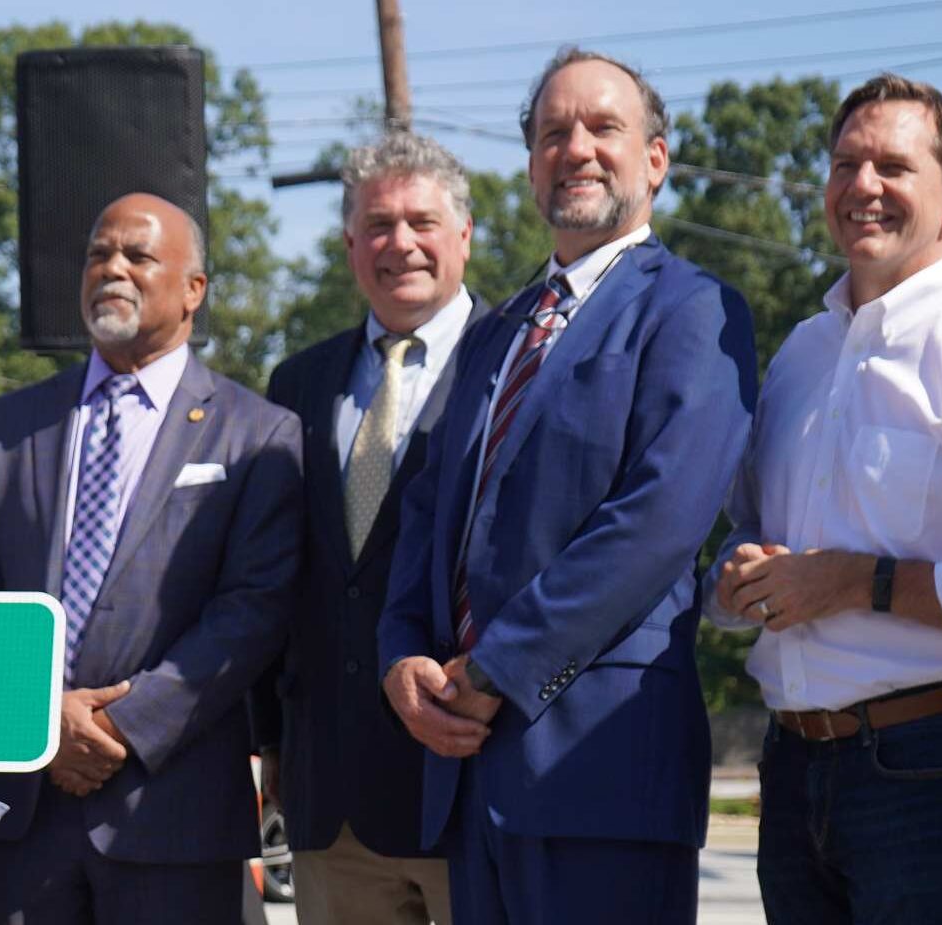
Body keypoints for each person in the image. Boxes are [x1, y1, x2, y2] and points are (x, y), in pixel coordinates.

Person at [377, 47, 756, 925]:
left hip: (602, 770)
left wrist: (500, 667)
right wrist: (402, 658)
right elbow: (427, 517)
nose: (575, 148)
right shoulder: (494, 331)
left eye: (602, 128)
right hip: (468, 771)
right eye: (553, 133)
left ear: (655, 158)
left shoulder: (695, 310)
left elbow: (658, 520)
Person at [703, 74, 942, 924]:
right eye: (845, 164)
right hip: (791, 767)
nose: (863, 186)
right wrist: (735, 577)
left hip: (937, 762)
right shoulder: (799, 353)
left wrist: (857, 581)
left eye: (892, 167)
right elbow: (747, 530)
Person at [0, 192, 303, 923]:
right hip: (27, 813)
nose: (112, 268)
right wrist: (40, 720)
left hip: (172, 814)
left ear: (194, 289)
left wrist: (122, 726)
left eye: (138, 256)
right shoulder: (12, 424)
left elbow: (254, 611)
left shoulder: (258, 432)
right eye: (98, 254)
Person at [253, 131, 483, 925]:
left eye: (422, 221)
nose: (401, 243)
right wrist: (272, 738)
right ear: (351, 245)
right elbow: (281, 576)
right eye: (378, 226)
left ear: (464, 234)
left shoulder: (517, 363)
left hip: (467, 781)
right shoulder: (298, 382)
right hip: (332, 800)